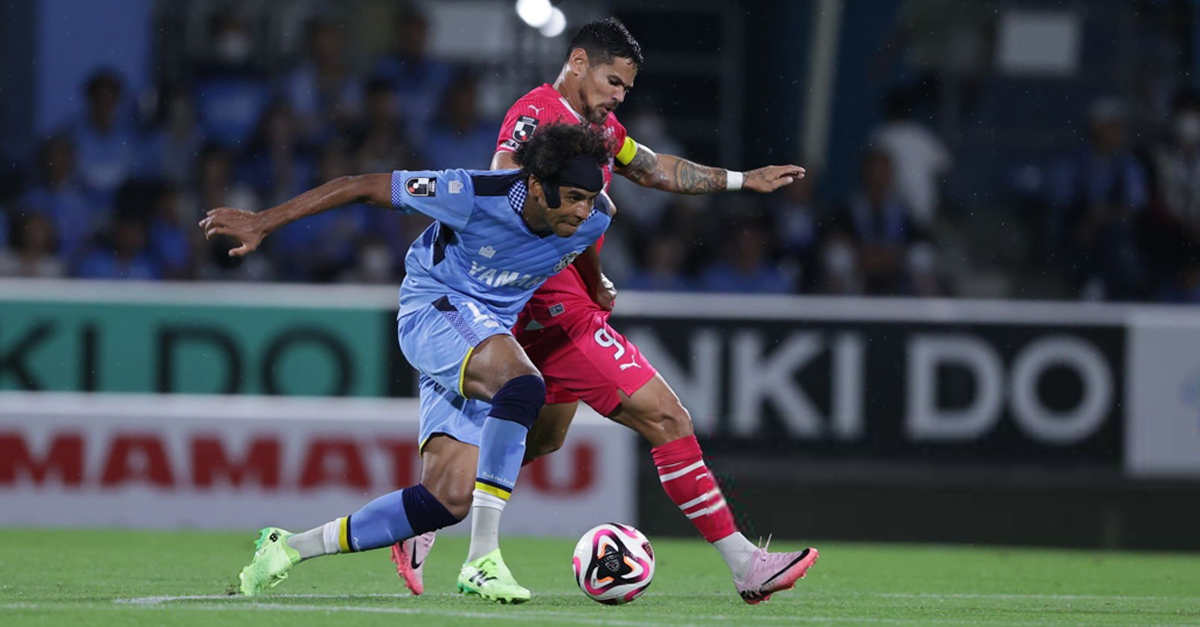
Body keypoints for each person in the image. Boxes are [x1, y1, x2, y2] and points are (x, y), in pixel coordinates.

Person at [392, 18, 817, 606]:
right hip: (529, 306)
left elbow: (655, 168)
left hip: (550, 306)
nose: (620, 96)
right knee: (666, 418)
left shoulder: (603, 131)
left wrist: (743, 180)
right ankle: (746, 562)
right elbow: (506, 176)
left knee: (540, 439)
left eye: (627, 88)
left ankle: (428, 519)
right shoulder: (536, 112)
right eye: (614, 81)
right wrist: (568, 247)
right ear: (577, 63)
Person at [205, 122, 612, 603]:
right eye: (573, 197)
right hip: (435, 309)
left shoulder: (595, 216)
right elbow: (359, 187)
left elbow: (581, 245)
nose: (583, 210)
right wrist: (264, 221)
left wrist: (596, 283)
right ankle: (483, 558)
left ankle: (287, 548)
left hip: (484, 334)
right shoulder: (469, 193)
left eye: (590, 198)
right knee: (524, 386)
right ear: (538, 187)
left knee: (446, 500)